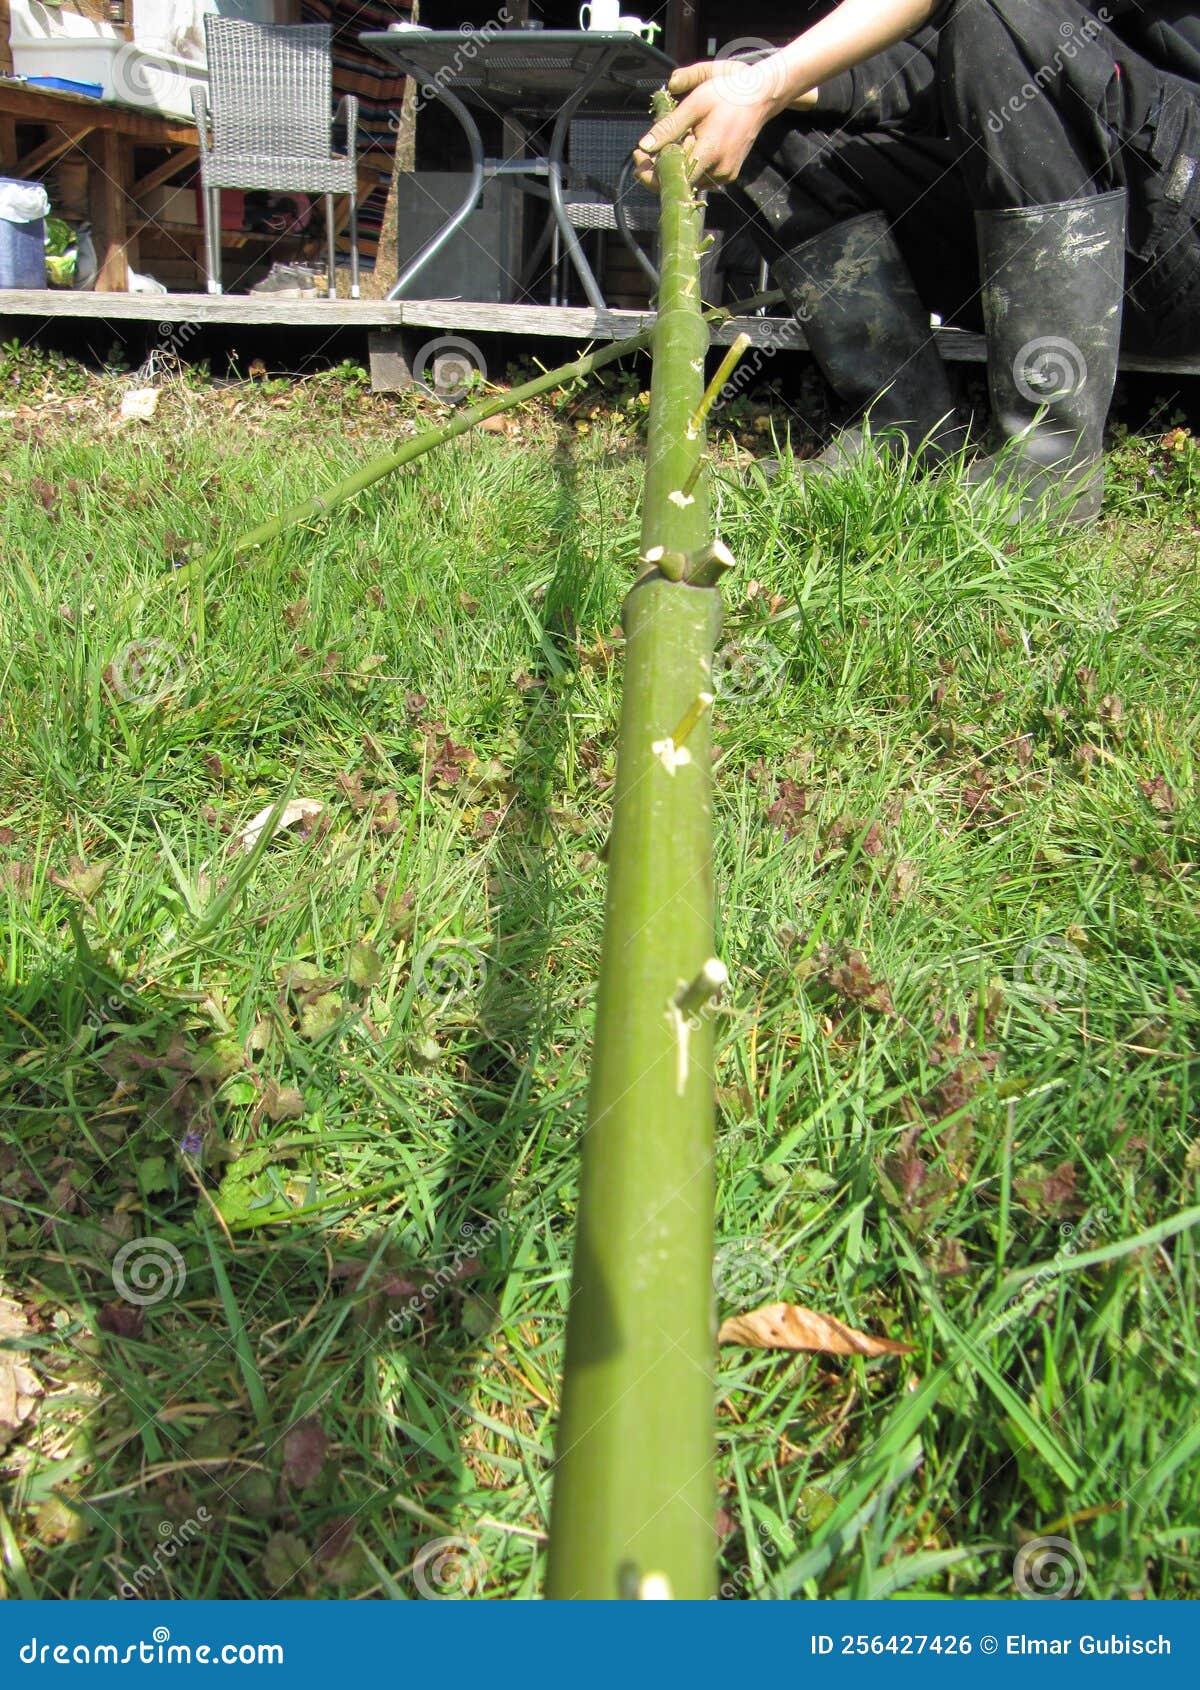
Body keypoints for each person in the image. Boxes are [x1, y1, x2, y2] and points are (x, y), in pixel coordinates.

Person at [634, 1, 1200, 523]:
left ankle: (1050, 466)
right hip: (1041, 240)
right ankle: (904, 429)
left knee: (992, 8)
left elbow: (1007, 26)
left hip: (1178, 237)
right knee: (757, 91)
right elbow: (946, 64)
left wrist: (771, 84)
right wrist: (768, 85)